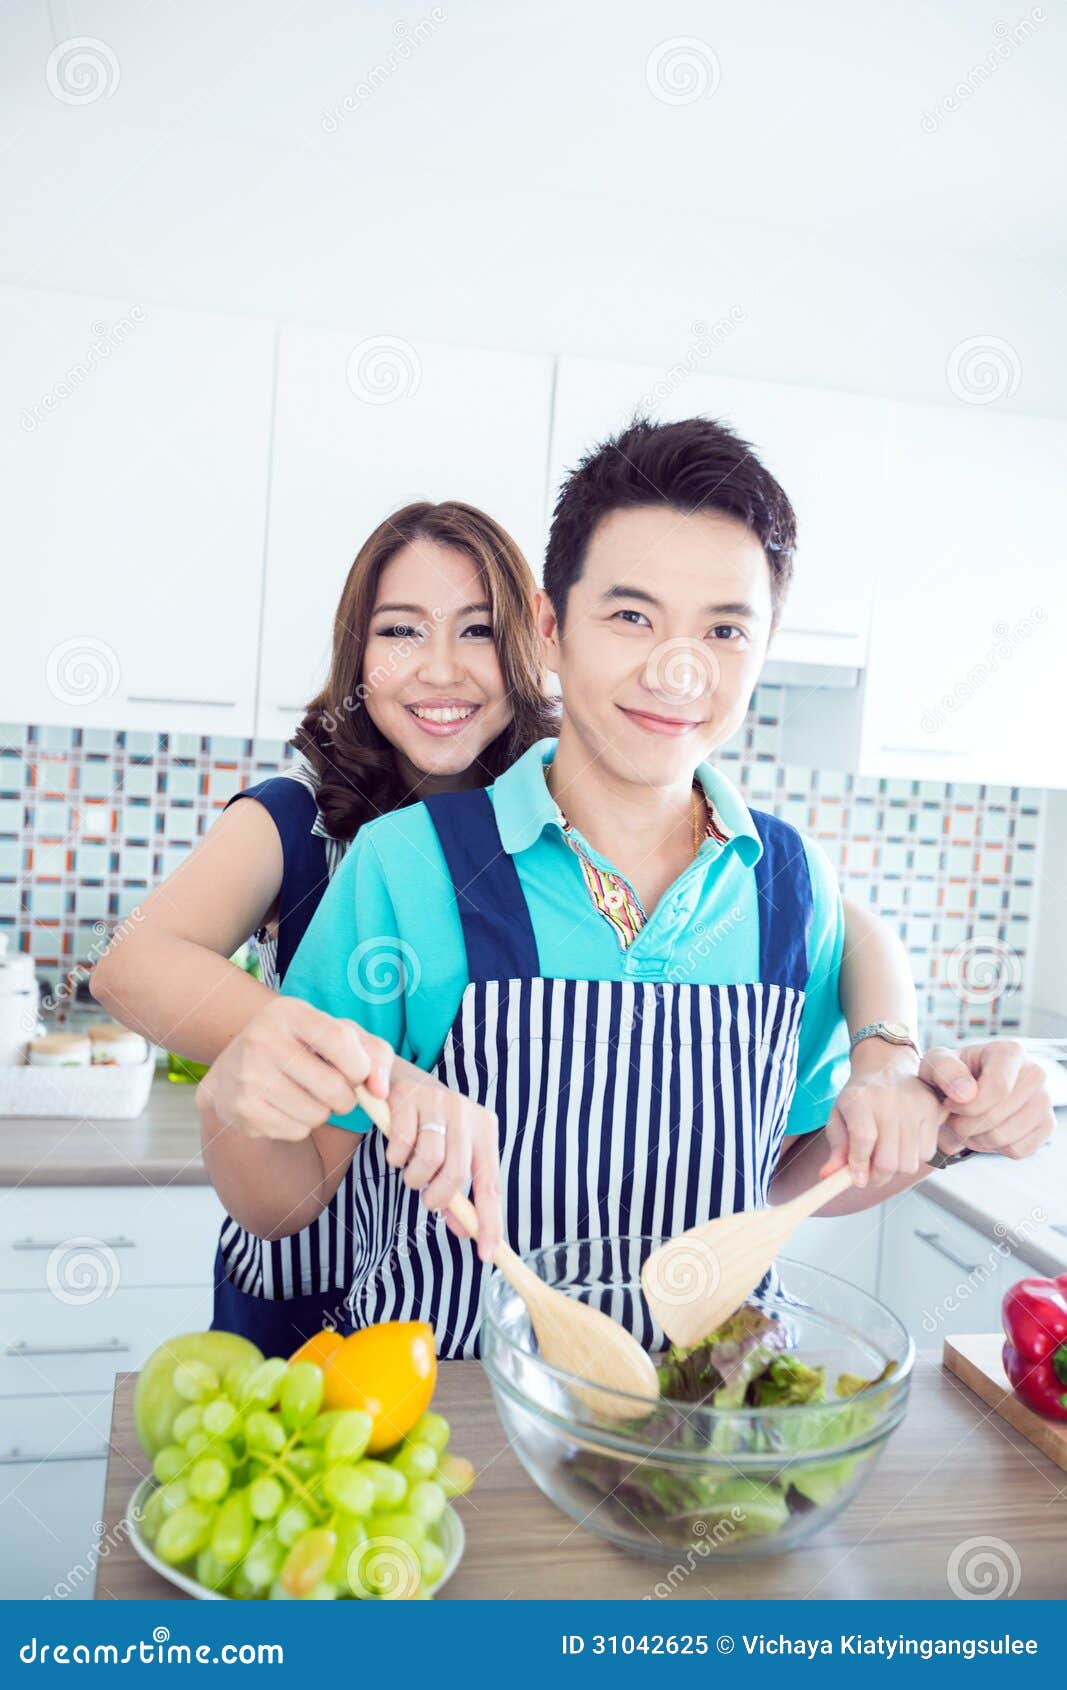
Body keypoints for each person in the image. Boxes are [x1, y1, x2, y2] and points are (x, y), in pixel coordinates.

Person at [189, 417, 1053, 1358]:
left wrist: (944, 1118)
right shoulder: (410, 866)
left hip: (708, 1430)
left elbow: (788, 1182)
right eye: (631, 615)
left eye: (724, 629)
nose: (675, 669)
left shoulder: (791, 886)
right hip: (451, 1427)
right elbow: (286, 1204)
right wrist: (233, 1100)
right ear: (552, 631)